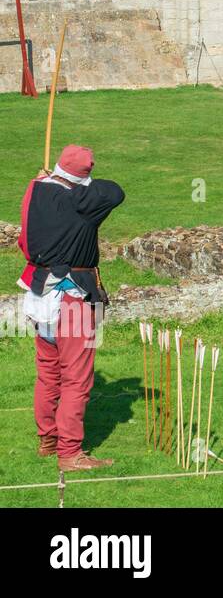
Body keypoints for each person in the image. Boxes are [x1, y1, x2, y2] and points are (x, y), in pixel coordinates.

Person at [17, 145, 124, 471]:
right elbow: (116, 192)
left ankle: (48, 441)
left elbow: (24, 241)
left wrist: (51, 180)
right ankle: (70, 453)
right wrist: (78, 184)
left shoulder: (35, 190)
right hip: (72, 301)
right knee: (76, 380)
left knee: (49, 373)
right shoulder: (86, 201)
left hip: (38, 296)